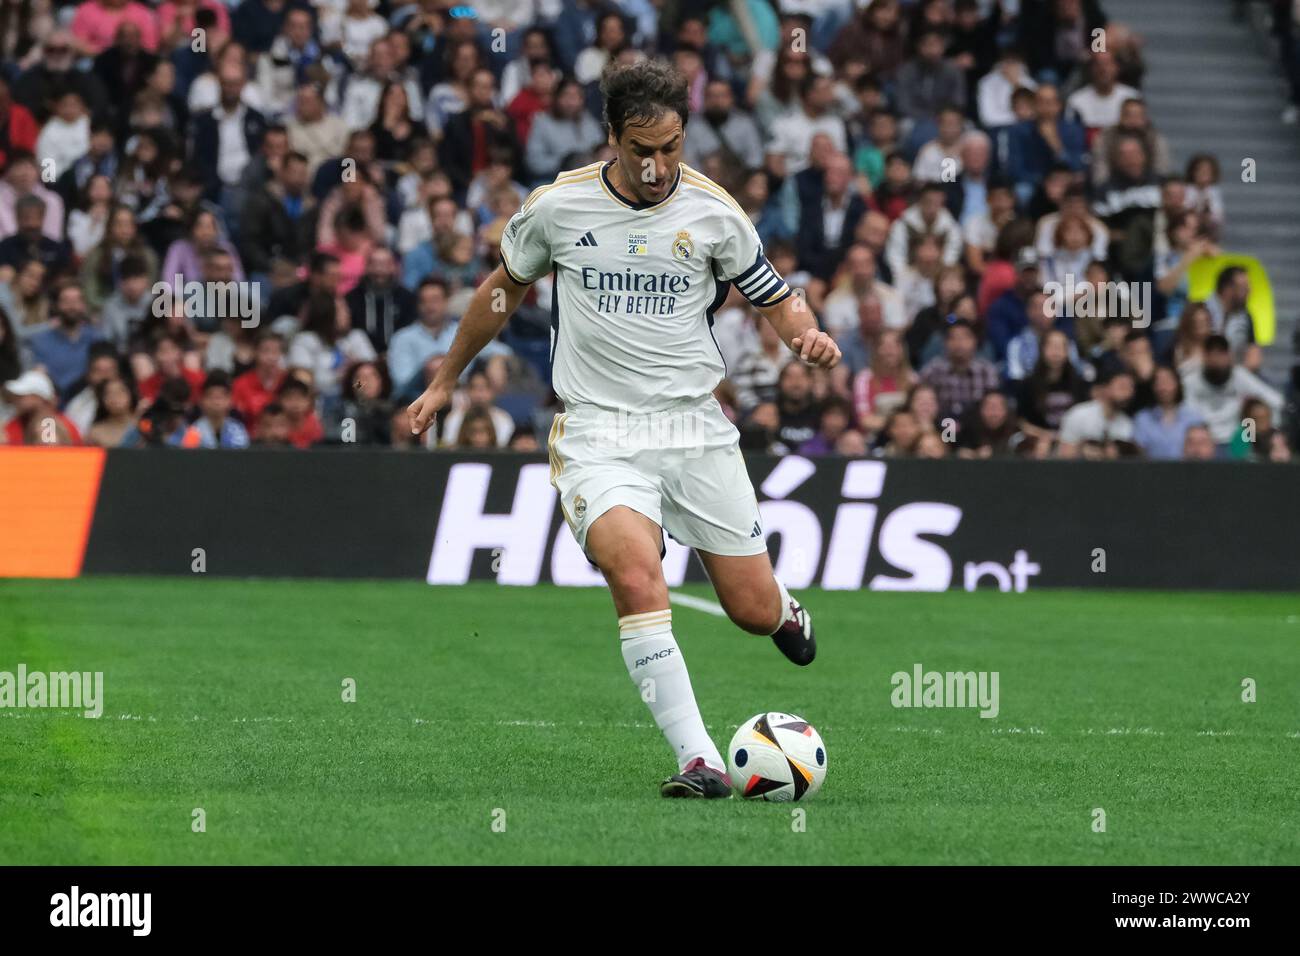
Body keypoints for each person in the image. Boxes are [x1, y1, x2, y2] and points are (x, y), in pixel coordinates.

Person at [406, 61, 841, 800]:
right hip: (598, 432)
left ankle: (784, 609)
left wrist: (806, 334)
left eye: (671, 146)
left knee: (751, 609)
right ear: (610, 137)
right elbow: (501, 290)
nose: (657, 165)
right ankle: (700, 758)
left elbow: (775, 293)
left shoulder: (714, 212)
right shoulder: (558, 207)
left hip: (694, 429)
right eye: (641, 147)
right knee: (635, 574)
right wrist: (446, 377)